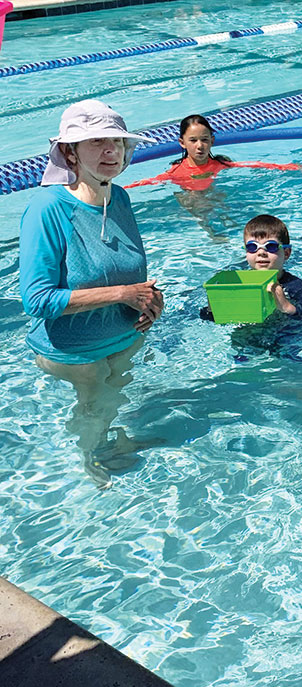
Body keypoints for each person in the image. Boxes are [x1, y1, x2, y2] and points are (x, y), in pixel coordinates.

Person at [19, 99, 164, 486]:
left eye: (117, 142)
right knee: (96, 404)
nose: (110, 151)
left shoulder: (120, 198)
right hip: (74, 352)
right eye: (96, 141)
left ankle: (110, 442)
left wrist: (150, 299)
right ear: (69, 152)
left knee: (113, 400)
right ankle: (90, 459)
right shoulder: (47, 209)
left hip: (125, 338)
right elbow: (36, 300)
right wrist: (121, 294)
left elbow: (130, 274)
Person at [202, 214, 302, 362]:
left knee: (300, 364)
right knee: (240, 363)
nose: (261, 252)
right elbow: (222, 321)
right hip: (252, 335)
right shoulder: (240, 285)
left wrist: (286, 306)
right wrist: (212, 309)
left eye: (270, 246)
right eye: (252, 247)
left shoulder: (297, 287)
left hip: (289, 334)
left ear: (286, 253)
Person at [125, 114, 302, 192]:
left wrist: (282, 167)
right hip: (192, 202)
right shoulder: (176, 170)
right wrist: (122, 190)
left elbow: (250, 164)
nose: (200, 146)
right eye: (193, 141)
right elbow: (151, 181)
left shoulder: (219, 164)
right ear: (182, 143)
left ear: (212, 141)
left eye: (204, 139)